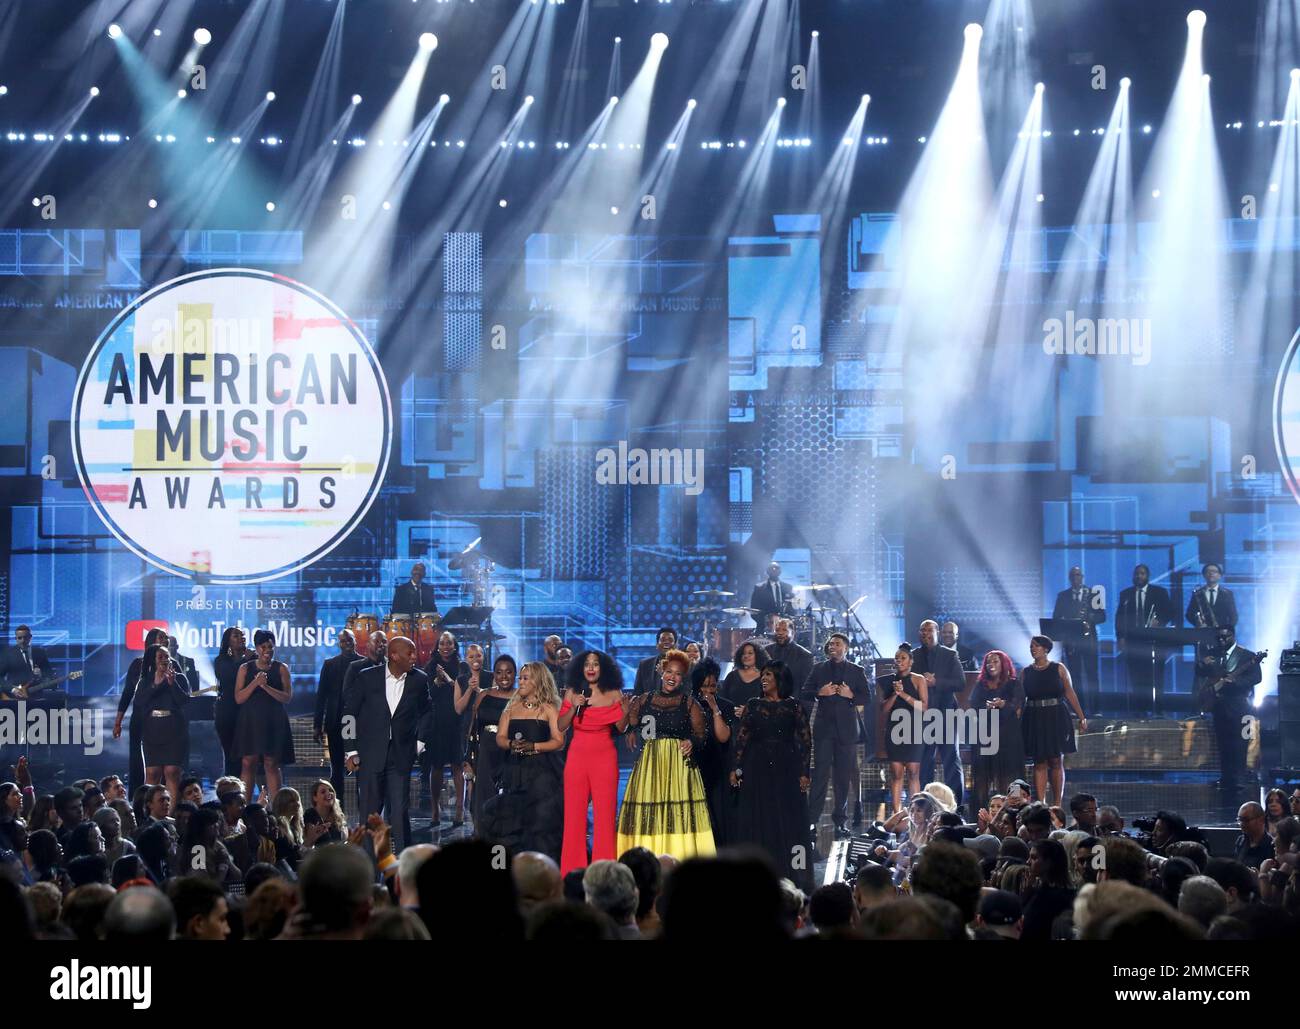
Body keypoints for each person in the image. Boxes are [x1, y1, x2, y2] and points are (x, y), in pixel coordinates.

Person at [616, 648, 715, 860]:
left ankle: (680, 860)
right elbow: (628, 725)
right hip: (650, 765)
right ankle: (648, 860)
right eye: (669, 672)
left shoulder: (689, 703)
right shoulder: (643, 699)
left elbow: (702, 735)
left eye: (678, 674)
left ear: (683, 678)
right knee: (650, 813)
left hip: (679, 767)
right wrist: (631, 728)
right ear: (662, 672)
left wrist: (692, 742)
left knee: (677, 815)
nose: (672, 677)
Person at [343, 637, 432, 853]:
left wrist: (420, 742)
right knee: (370, 815)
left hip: (401, 755)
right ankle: (370, 869)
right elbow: (349, 714)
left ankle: (403, 866)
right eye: (410, 653)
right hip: (370, 755)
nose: (415, 657)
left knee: (400, 813)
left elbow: (427, 711)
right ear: (394, 656)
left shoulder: (419, 680)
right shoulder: (367, 678)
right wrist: (351, 750)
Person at [731, 660, 813, 891]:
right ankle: (757, 873)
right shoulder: (754, 705)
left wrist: (804, 772)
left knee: (787, 819)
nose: (763, 678)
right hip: (757, 767)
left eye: (769, 675)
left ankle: (790, 872)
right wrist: (736, 769)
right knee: (759, 817)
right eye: (762, 675)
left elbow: (806, 742)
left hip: (787, 767)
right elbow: (742, 739)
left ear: (780, 679)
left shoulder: (794, 706)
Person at [479, 662, 565, 860]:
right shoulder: (511, 708)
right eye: (521, 677)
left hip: (543, 773)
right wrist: (510, 744)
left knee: (540, 821)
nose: (521, 681)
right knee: (506, 816)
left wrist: (533, 747)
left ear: (538, 681)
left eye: (526, 678)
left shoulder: (549, 708)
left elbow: (559, 741)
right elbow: (500, 737)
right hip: (515, 770)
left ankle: (543, 868)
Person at [558, 650, 627, 874]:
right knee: (574, 817)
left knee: (605, 817)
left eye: (595, 664)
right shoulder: (572, 692)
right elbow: (561, 726)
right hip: (577, 756)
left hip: (605, 757)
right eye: (587, 664)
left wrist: (626, 712)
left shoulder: (615, 693)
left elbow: (622, 728)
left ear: (602, 668)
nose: (591, 668)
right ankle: (571, 872)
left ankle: (604, 871)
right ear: (581, 667)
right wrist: (575, 706)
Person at [801, 632, 869, 839]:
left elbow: (867, 696)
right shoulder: (819, 668)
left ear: (845, 648)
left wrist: (851, 696)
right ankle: (811, 822)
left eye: (837, 643)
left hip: (847, 731)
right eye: (830, 644)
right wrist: (819, 693)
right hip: (824, 731)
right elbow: (805, 691)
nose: (832, 646)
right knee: (820, 776)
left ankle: (840, 822)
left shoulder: (857, 670)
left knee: (842, 778)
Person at [113, 643, 191, 807]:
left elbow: (184, 700)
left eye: (166, 657)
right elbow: (140, 701)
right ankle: (150, 813)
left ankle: (170, 815)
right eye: (160, 657)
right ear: (152, 661)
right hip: (152, 730)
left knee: (172, 772)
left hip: (174, 730)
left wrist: (172, 683)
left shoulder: (179, 677)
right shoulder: (145, 681)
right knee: (152, 773)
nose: (164, 660)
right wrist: (156, 683)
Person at [1195, 625, 1263, 802]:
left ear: (1233, 636)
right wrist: (1203, 663)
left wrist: (1236, 682)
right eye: (1219, 637)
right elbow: (1200, 672)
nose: (1221, 640)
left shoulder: (1247, 655)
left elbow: (1256, 677)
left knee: (1239, 744)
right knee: (1223, 743)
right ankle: (1226, 778)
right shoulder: (1213, 653)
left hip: (1240, 706)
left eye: (1225, 637)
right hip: (1218, 706)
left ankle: (1238, 778)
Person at [1021, 636, 1088, 806]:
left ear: (1045, 649)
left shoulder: (1059, 668)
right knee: (1039, 760)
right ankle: (1041, 803)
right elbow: (1020, 699)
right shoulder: (1026, 672)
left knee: (1056, 759)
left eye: (1036, 646)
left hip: (1056, 716)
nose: (1032, 649)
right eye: (1031, 646)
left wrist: (1081, 716)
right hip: (1034, 717)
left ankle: (1057, 804)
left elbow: (1069, 692)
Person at [233, 630, 295, 803]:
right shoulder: (245, 668)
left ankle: (276, 810)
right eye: (263, 646)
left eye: (270, 646)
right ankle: (243, 808)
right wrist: (255, 683)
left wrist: (266, 687)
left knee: (271, 763)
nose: (267, 650)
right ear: (257, 648)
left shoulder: (281, 668)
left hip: (274, 721)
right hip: (250, 721)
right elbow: (238, 698)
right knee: (248, 762)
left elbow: (287, 697)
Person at [912, 619, 965, 811]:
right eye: (922, 630)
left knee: (951, 759)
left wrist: (936, 682)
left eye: (929, 630)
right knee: (925, 762)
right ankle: (927, 805)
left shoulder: (949, 654)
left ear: (937, 633)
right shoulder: (913, 656)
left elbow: (960, 682)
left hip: (946, 714)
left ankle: (956, 806)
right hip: (923, 717)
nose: (925, 633)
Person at [968, 649, 1025, 818]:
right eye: (988, 662)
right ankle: (980, 818)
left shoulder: (1014, 683)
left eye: (995, 661)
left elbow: (1017, 707)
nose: (991, 665)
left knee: (1010, 780)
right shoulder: (980, 685)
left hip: (1008, 738)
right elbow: (973, 706)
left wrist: (1003, 704)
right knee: (981, 781)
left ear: (1004, 664)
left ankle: (1014, 816)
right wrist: (986, 707)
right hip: (985, 738)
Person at [465, 654, 518, 828]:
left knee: (508, 804)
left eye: (508, 672)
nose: (504, 676)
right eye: (499, 672)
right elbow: (473, 729)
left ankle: (505, 847)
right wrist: (468, 759)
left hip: (511, 755)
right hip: (486, 754)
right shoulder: (484, 695)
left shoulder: (521, 698)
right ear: (493, 674)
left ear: (515, 674)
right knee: (483, 802)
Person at [691, 657, 738, 847]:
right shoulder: (687, 704)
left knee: (718, 815)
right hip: (694, 765)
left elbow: (724, 737)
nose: (708, 690)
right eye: (704, 686)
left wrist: (714, 708)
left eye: (712, 685)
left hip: (718, 765)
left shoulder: (725, 705)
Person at [425, 630, 469, 824]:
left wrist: (449, 681)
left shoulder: (462, 667)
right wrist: (436, 681)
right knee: (436, 766)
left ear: (455, 646)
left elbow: (466, 693)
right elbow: (427, 695)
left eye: (449, 643)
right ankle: (435, 810)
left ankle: (459, 810)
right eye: (442, 643)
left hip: (456, 720)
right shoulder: (430, 666)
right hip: (437, 721)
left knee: (457, 765)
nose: (445, 647)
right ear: (437, 646)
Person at [877, 644, 928, 813]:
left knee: (913, 773)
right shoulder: (888, 681)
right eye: (897, 658)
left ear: (911, 661)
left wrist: (904, 694)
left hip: (914, 729)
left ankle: (916, 811)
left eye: (903, 658)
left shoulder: (918, 679)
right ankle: (896, 813)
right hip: (895, 730)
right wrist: (895, 693)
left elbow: (924, 707)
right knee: (896, 773)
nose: (899, 661)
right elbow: (883, 709)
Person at [1115, 565, 1174, 710]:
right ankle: (1140, 710)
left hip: (1155, 642)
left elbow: (1170, 612)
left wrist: (1159, 621)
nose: (1138, 576)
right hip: (1134, 642)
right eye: (1136, 574)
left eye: (1142, 574)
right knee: (1136, 677)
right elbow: (1119, 618)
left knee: (1156, 677)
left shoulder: (1159, 592)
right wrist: (1120, 637)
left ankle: (1158, 710)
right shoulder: (1126, 594)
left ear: (1147, 576)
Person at [1051, 566, 1106, 711]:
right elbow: (1056, 618)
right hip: (1071, 642)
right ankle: (1077, 708)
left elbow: (1102, 616)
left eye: (1078, 575)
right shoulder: (1062, 596)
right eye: (1073, 575)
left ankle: (1096, 709)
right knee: (1074, 676)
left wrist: (1089, 619)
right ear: (1070, 578)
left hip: (1089, 641)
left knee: (1092, 675)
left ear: (1082, 577)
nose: (1076, 578)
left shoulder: (1094, 594)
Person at [315, 629, 357, 799]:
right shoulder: (329, 664)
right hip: (335, 722)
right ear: (338, 643)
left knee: (361, 770)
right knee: (337, 769)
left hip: (358, 724)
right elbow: (321, 696)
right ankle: (338, 812)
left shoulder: (364, 663)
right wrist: (317, 725)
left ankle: (365, 814)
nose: (346, 643)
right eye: (343, 641)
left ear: (354, 641)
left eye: (349, 640)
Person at [212, 627, 251, 778]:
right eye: (236, 635)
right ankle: (232, 792)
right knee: (232, 756)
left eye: (243, 635)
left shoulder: (253, 659)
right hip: (228, 714)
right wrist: (244, 660)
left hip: (248, 713)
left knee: (248, 758)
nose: (241, 637)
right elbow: (229, 676)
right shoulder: (221, 661)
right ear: (228, 641)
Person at [1020, 838, 1076, 942]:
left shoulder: (1048, 898)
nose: (1028, 862)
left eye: (1034, 857)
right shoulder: (1040, 891)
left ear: (1049, 862)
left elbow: (1027, 927)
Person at [1, 625, 52, 696]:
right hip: (16, 697)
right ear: (15, 638)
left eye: (25, 637)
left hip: (37, 696)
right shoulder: (8, 654)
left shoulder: (40, 653)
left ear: (30, 637)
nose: (22, 641)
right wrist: (12, 690)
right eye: (19, 638)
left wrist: (41, 674)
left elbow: (49, 674)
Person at [766, 617, 813, 692]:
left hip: (792, 700)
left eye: (784, 630)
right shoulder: (766, 651)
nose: (780, 633)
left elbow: (806, 686)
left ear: (793, 633)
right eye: (777, 630)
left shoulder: (804, 655)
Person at [1186, 561, 1237, 630]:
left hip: (1222, 634)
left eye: (1214, 571)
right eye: (1208, 571)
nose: (1211, 573)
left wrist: (1227, 630)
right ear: (1204, 575)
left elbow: (1233, 616)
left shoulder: (1227, 594)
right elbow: (1189, 614)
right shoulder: (1197, 593)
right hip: (1203, 632)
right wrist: (1198, 624)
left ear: (1219, 576)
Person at [749, 561, 795, 632]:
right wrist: (766, 622)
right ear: (767, 571)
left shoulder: (787, 587)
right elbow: (753, 610)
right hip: (765, 628)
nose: (774, 570)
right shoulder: (759, 588)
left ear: (780, 571)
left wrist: (787, 620)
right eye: (772, 568)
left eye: (776, 568)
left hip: (784, 629)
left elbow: (792, 608)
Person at [632, 627, 679, 696]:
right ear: (657, 645)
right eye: (663, 640)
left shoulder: (683, 666)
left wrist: (664, 675)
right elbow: (637, 692)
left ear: (675, 645)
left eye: (670, 640)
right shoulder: (645, 664)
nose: (666, 642)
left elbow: (684, 691)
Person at [720, 639, 766, 706]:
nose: (746, 656)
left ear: (757, 655)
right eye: (743, 653)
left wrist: (746, 710)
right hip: (732, 715)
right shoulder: (732, 676)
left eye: (750, 653)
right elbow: (723, 698)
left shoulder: (764, 677)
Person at [303, 779, 346, 847]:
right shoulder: (310, 814)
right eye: (323, 792)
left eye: (331, 790)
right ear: (315, 798)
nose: (329, 793)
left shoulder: (337, 816)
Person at [1234, 802, 1273, 869]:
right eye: (1240, 820)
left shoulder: (1271, 845)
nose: (1242, 824)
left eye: (1246, 820)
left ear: (1261, 819)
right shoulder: (1241, 841)